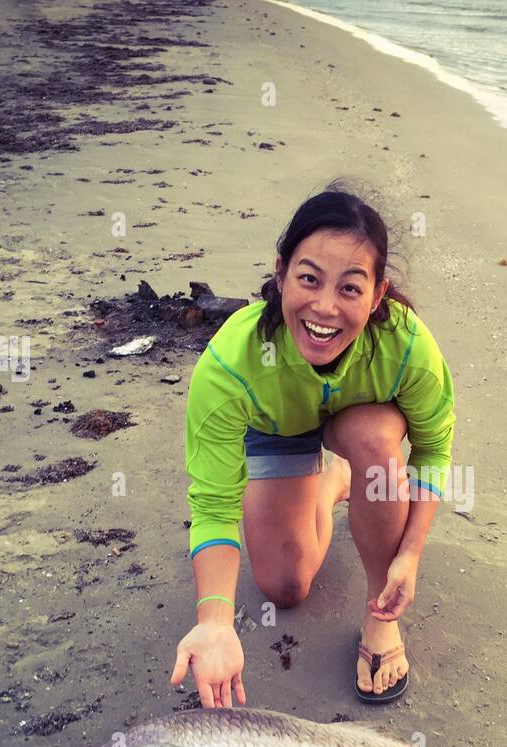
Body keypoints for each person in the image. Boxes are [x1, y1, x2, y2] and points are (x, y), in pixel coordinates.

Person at [171, 181, 455, 708]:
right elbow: (212, 503)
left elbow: (434, 452)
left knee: (374, 441)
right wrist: (214, 620)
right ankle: (330, 484)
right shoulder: (230, 364)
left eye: (350, 288)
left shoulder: (408, 346)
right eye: (309, 279)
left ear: (377, 296)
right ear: (280, 274)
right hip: (277, 425)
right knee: (285, 587)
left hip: (358, 420)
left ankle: (379, 617)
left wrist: (409, 555)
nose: (325, 308)